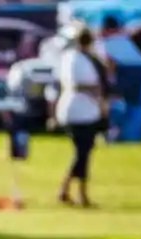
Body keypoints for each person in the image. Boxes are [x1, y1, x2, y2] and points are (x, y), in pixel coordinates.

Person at [55, 28, 107, 208]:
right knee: (83, 153)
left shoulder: (69, 58)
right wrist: (100, 100)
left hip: (72, 108)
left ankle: (66, 188)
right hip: (83, 110)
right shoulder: (81, 60)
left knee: (81, 152)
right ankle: (79, 193)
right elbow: (87, 84)